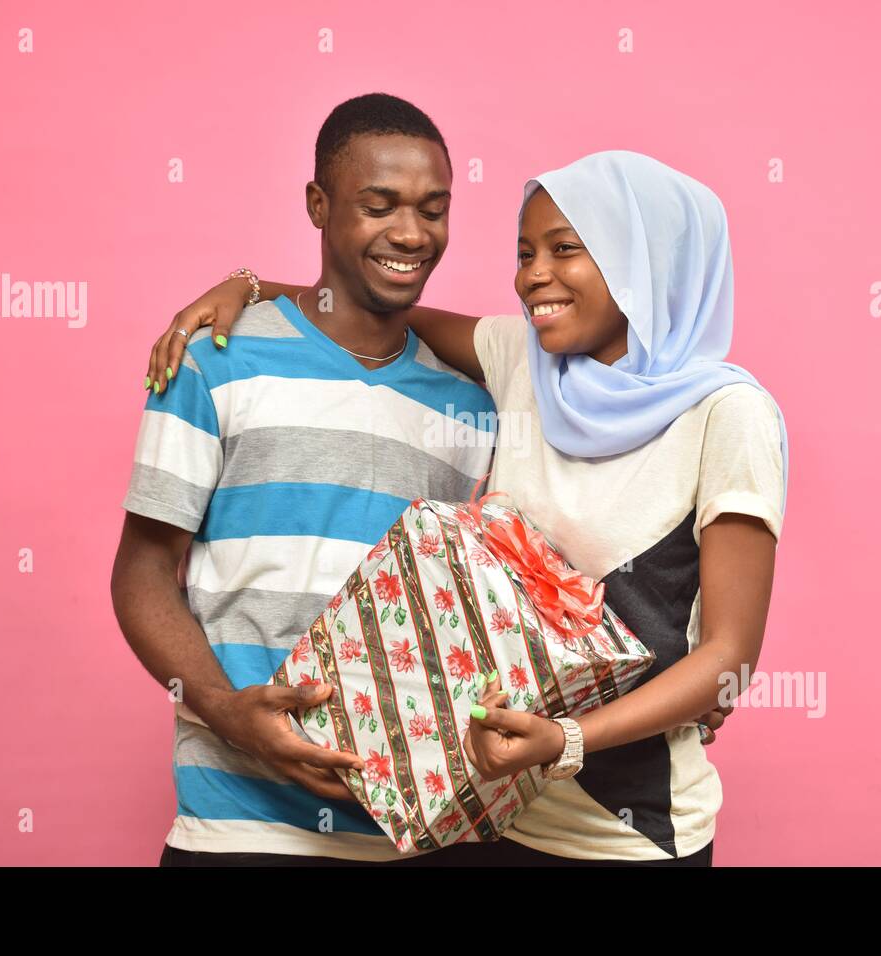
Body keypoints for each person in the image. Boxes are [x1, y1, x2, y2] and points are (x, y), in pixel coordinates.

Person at [149, 149, 784, 865]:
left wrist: (572, 737)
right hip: (482, 819)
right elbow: (370, 308)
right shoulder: (524, 362)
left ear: (641, 263)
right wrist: (252, 284)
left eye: (565, 250)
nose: (532, 275)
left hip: (625, 836)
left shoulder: (729, 415)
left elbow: (731, 654)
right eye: (524, 252)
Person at [110, 92, 501, 866]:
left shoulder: (473, 408)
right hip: (236, 826)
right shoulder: (216, 358)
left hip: (410, 836)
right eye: (378, 205)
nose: (411, 234)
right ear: (319, 205)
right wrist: (225, 712)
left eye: (433, 209)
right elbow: (142, 576)